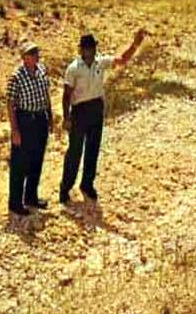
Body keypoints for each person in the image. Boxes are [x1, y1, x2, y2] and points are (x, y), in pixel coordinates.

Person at [60, 29, 148, 204]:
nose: (89, 51)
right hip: (80, 111)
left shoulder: (101, 63)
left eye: (91, 48)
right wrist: (66, 117)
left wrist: (135, 44)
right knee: (75, 152)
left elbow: (121, 60)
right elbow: (66, 95)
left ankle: (87, 185)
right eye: (86, 48)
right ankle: (65, 188)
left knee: (93, 149)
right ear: (80, 50)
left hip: (96, 109)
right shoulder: (74, 69)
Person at [6, 42, 53, 216]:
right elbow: (10, 104)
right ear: (24, 57)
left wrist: (50, 116)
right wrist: (15, 130)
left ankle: (31, 197)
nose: (36, 55)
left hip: (40, 119)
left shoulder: (41, 70)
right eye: (32, 53)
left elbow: (46, 94)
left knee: (37, 160)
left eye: (36, 51)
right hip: (25, 120)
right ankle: (15, 203)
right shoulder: (16, 77)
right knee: (20, 163)